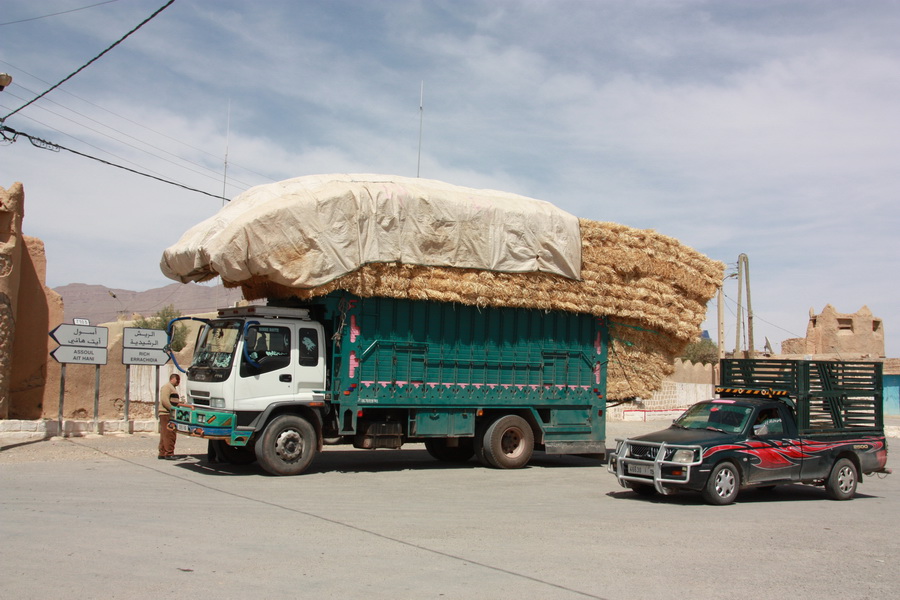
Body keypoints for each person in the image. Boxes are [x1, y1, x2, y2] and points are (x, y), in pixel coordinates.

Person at [158, 373, 181, 460]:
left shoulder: (172, 388)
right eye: (177, 380)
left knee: (165, 433)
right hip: (166, 413)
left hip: (168, 413)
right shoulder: (167, 387)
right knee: (169, 433)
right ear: (173, 379)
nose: (178, 382)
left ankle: (163, 452)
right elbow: (165, 400)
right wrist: (172, 409)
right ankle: (169, 453)